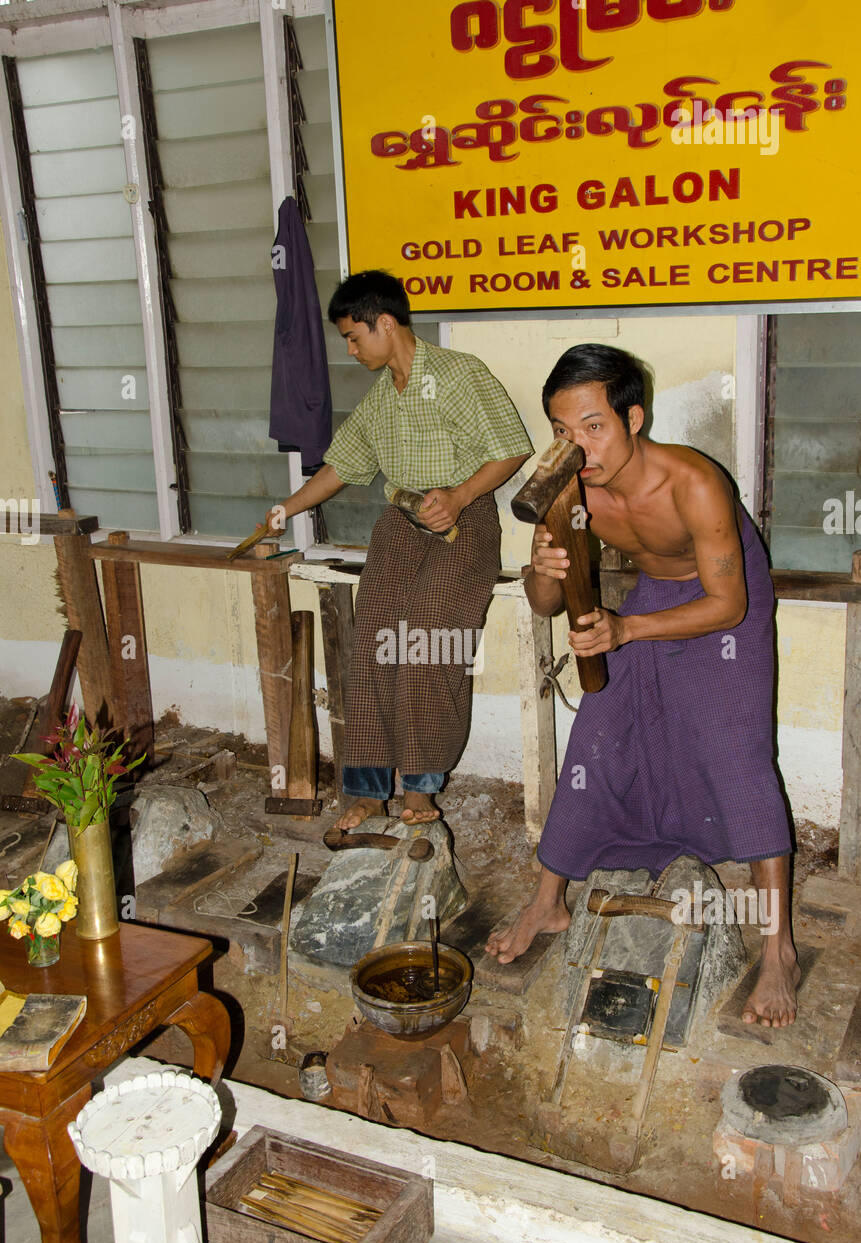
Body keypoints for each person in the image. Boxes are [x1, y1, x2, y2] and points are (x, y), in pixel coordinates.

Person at [485, 343, 800, 1029]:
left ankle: (778, 947)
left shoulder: (691, 483)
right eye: (563, 430)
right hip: (658, 592)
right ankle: (547, 898)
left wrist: (626, 631)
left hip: (725, 599)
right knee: (597, 733)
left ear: (634, 417)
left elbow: (729, 606)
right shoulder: (566, 487)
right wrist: (541, 565)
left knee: (734, 754)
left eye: (593, 426)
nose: (578, 446)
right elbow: (543, 603)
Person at [266, 270, 531, 829]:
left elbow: (511, 450)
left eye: (354, 336)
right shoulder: (382, 398)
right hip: (401, 526)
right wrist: (287, 508)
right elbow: (343, 465)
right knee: (374, 641)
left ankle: (419, 788)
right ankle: (365, 788)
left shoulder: (459, 375)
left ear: (385, 323)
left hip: (466, 523)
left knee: (430, 639)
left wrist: (458, 497)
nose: (350, 347)